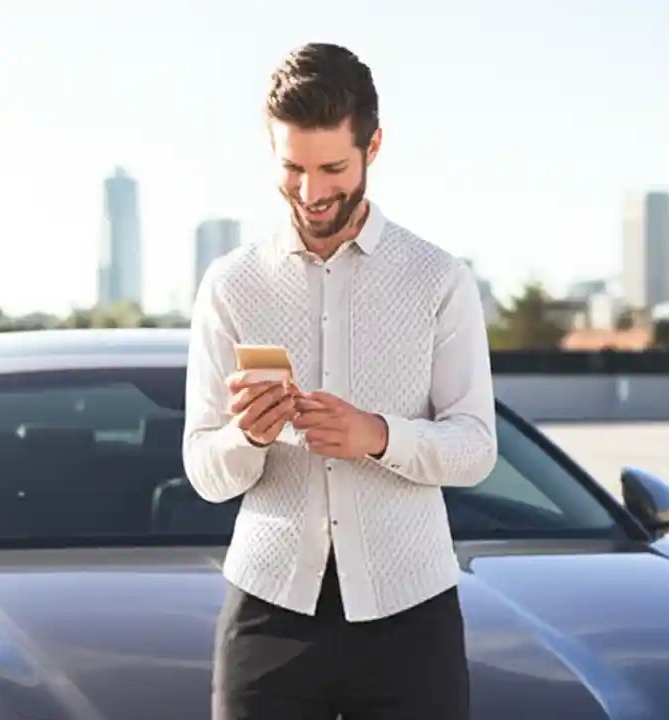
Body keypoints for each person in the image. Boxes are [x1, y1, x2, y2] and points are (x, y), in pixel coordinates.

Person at [182, 41, 498, 720]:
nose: (311, 192)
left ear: (373, 146)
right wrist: (249, 437)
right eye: (292, 167)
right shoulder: (231, 285)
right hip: (267, 615)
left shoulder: (437, 280)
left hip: (411, 616)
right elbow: (207, 473)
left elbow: (476, 447)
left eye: (332, 168)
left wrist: (377, 436)